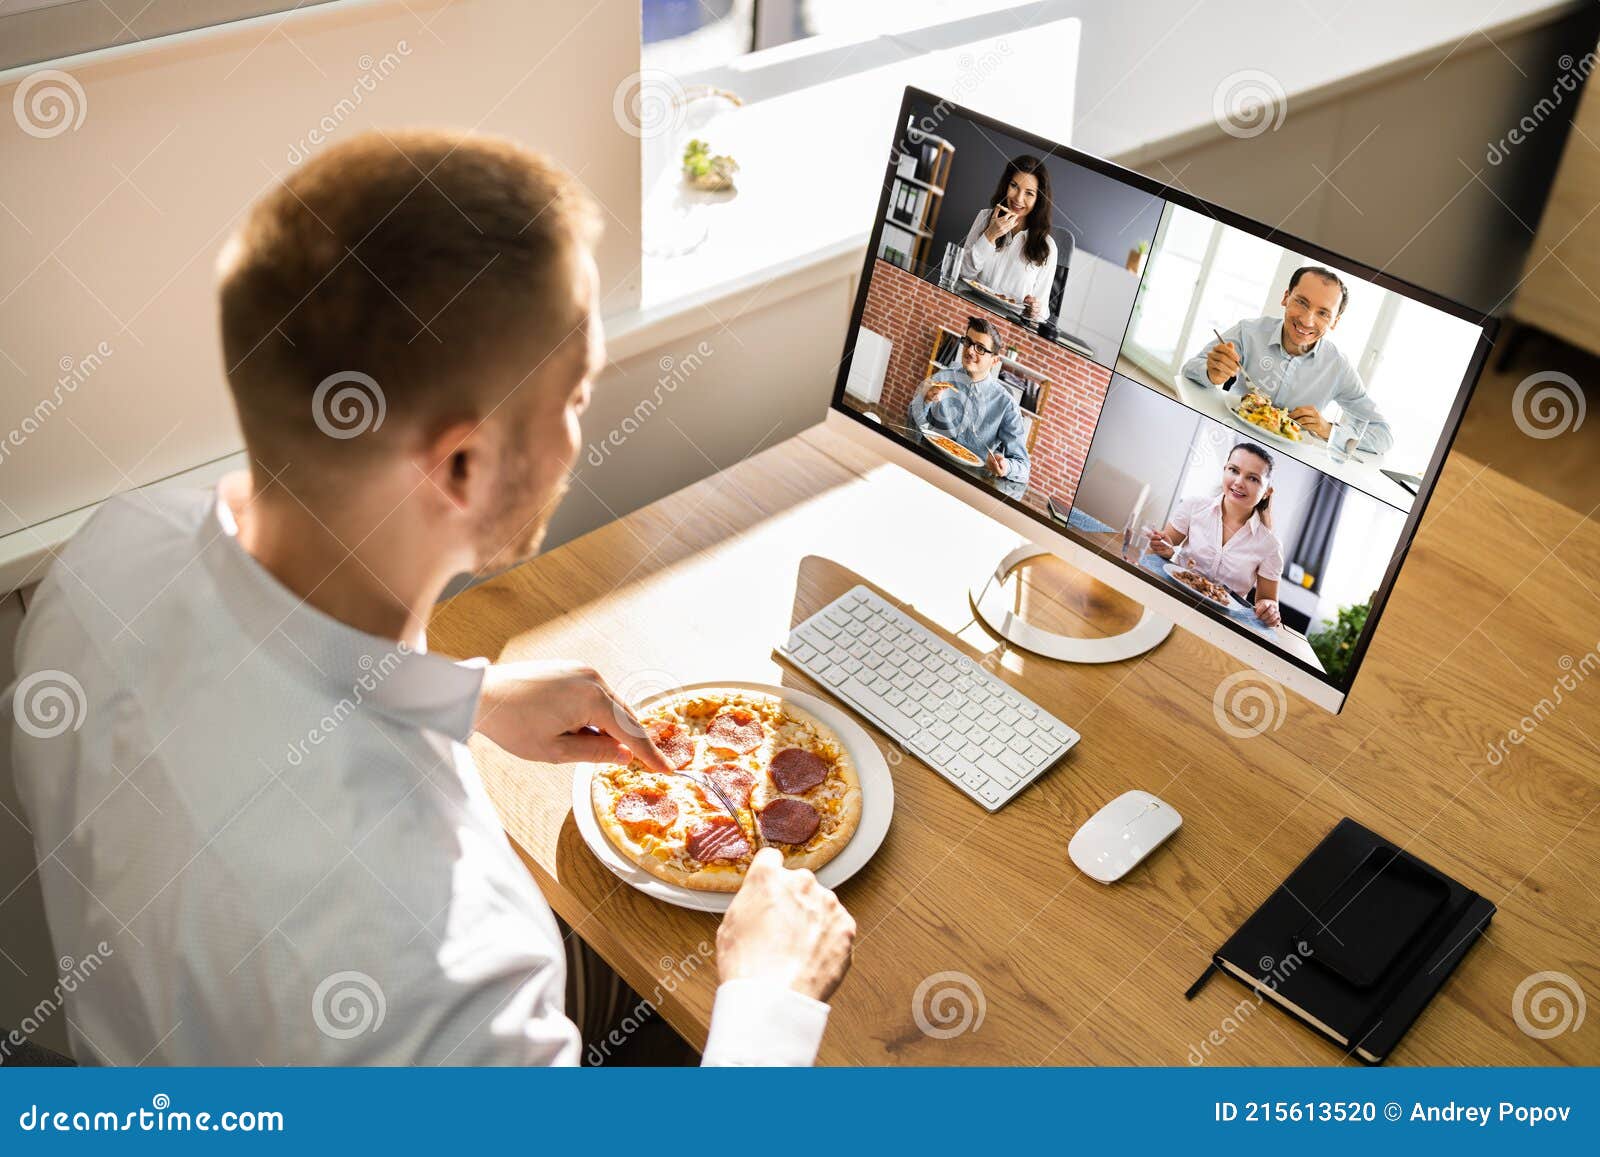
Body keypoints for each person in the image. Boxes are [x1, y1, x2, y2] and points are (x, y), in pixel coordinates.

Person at [8, 130, 855, 1066]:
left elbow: (259, 658)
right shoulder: (443, 970)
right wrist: (766, 1000)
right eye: (574, 398)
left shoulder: (106, 559)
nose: (583, 429)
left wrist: (465, 696)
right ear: (461, 463)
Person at [1181, 266, 1393, 454]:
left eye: (1323, 313)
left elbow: (1383, 437)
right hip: (1228, 440)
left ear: (1334, 322)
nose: (1307, 320)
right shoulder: (1248, 332)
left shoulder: (1338, 368)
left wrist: (1329, 430)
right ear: (1286, 297)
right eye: (1301, 302)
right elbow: (1190, 369)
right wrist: (1211, 373)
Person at [1144, 443, 1284, 627]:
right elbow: (1159, 552)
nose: (1239, 482)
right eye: (1234, 470)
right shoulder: (1193, 506)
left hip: (1221, 622)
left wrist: (1269, 609)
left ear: (1267, 492)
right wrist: (1162, 547)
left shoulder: (1270, 545)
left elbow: (1267, 601)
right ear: (1224, 470)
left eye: (1252, 478)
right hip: (1172, 598)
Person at [908, 316, 1030, 488]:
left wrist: (1005, 467)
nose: (970, 351)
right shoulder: (942, 377)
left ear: (994, 360)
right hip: (926, 464)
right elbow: (911, 424)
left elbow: (1024, 467)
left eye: (980, 348)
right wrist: (926, 401)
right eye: (968, 342)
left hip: (970, 483)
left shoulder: (1006, 406)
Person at [956, 155, 1062, 321]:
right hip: (970, 312)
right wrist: (989, 235)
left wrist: (1035, 310)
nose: (1018, 199)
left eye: (1029, 193)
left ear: (1038, 199)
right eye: (1014, 186)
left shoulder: (1048, 247)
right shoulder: (985, 217)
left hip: (1009, 324)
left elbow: (1042, 314)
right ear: (1006, 185)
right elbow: (962, 273)